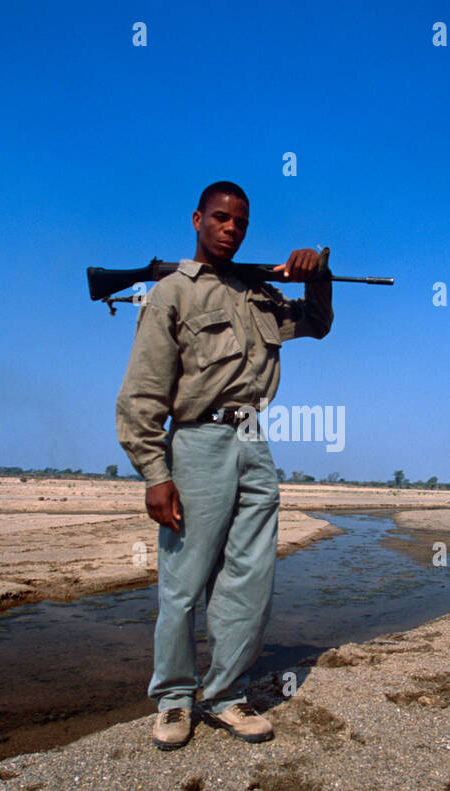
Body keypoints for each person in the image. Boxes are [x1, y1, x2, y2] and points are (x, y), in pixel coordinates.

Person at [115, 180, 333, 750]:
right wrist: (155, 474)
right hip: (197, 443)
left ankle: (226, 696)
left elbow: (316, 322)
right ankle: (173, 699)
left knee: (250, 579)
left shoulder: (257, 290)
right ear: (197, 219)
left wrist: (319, 276)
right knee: (184, 583)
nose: (230, 228)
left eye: (240, 221)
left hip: (255, 441)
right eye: (220, 218)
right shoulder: (172, 293)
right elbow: (141, 394)